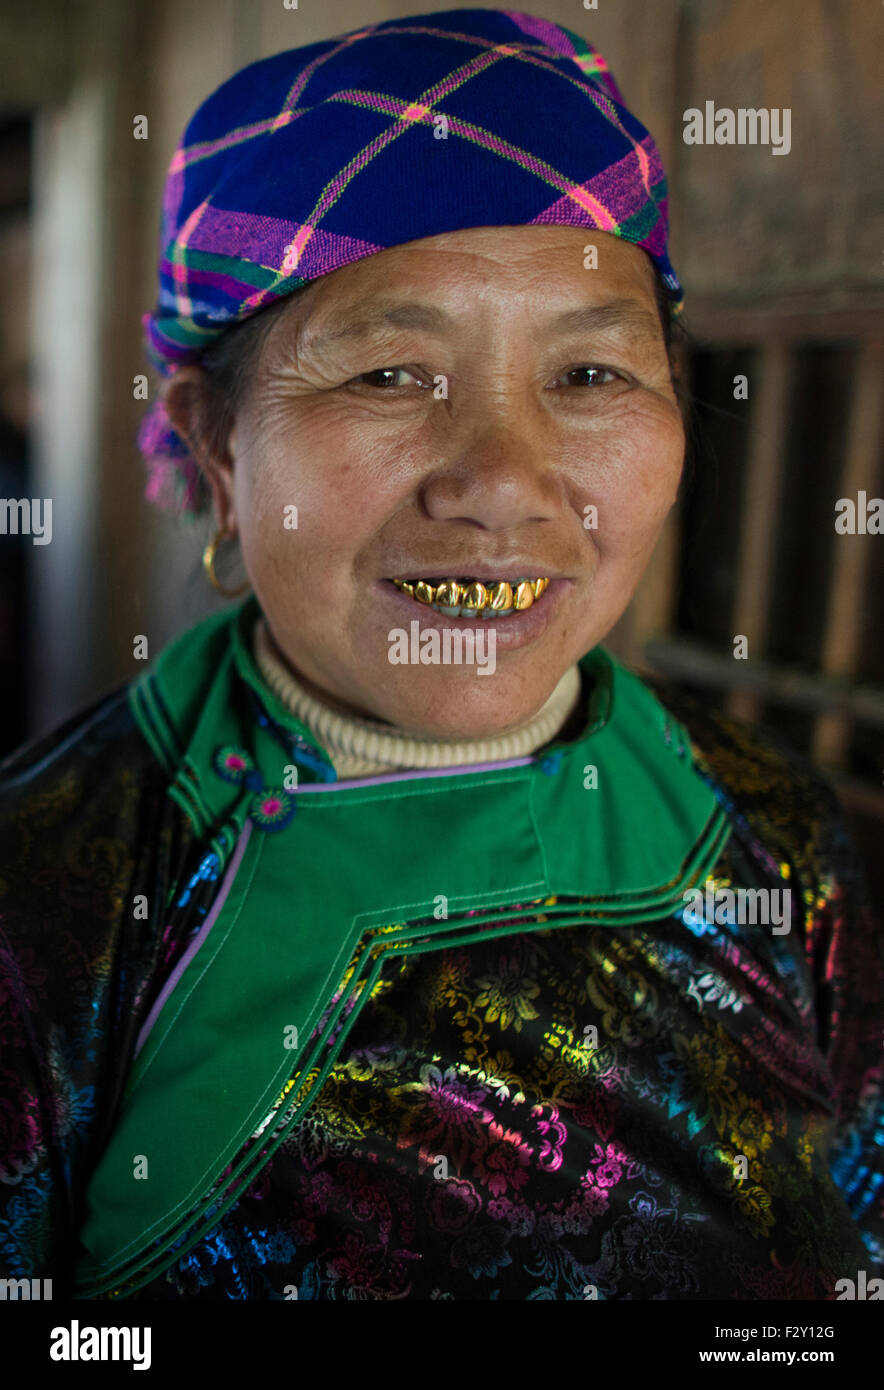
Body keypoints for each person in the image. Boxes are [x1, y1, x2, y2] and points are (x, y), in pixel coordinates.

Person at [1, 8, 881, 1302]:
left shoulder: (772, 839)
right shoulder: (52, 907)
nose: (505, 483)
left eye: (589, 373)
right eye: (390, 375)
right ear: (215, 450)